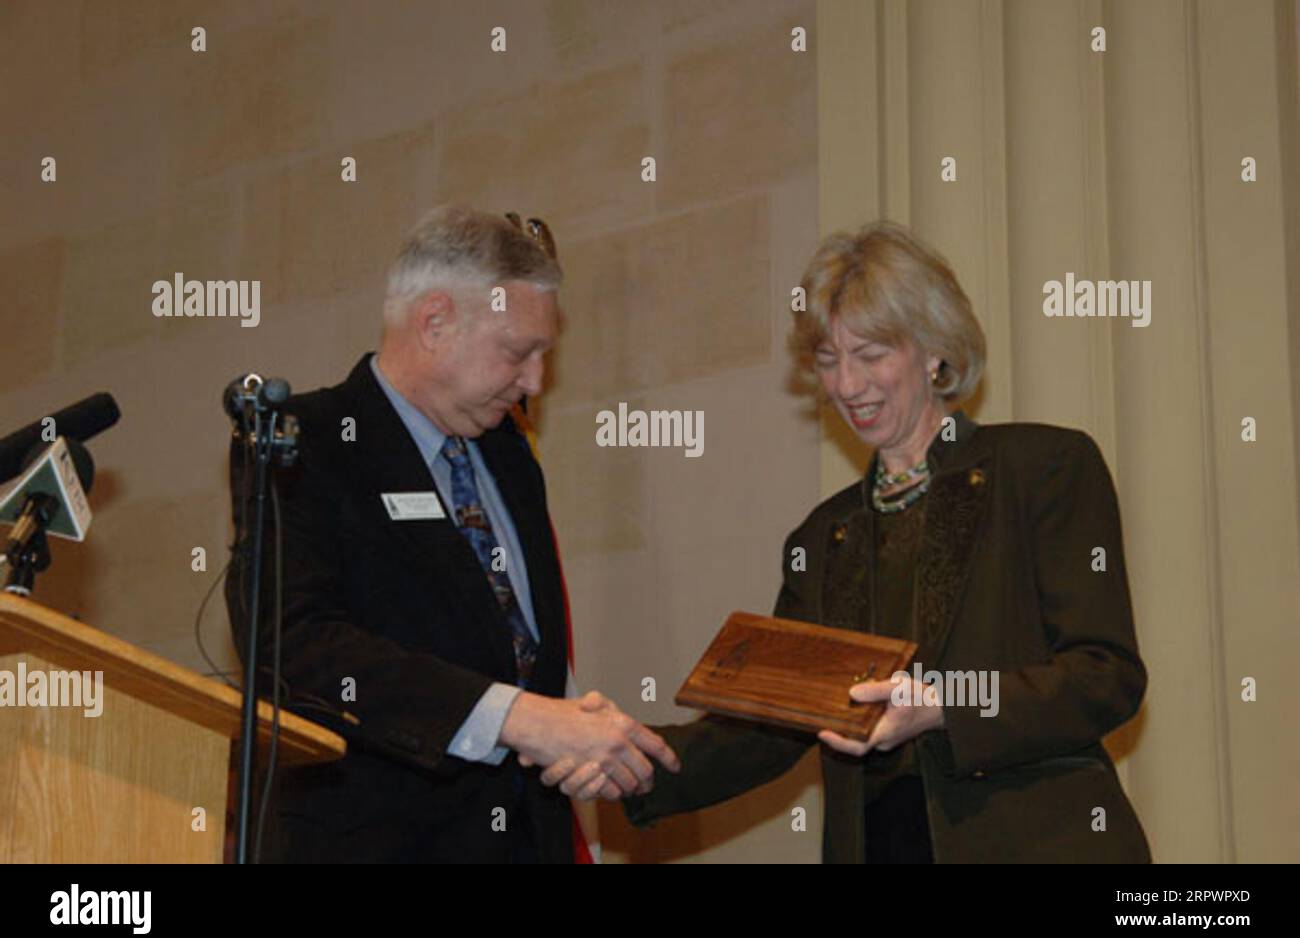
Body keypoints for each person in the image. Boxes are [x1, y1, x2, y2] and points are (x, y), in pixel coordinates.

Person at [541, 221, 1151, 863]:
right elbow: (770, 726)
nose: (846, 385)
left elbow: (1103, 676)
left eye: (870, 354)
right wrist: (632, 757)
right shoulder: (824, 536)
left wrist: (945, 706)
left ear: (934, 350)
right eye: (828, 360)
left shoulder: (1043, 467)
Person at [224, 205, 678, 863]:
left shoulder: (508, 456)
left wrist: (570, 737)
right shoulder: (302, 439)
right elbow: (292, 644)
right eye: (519, 353)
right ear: (434, 322)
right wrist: (518, 719)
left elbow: (521, 651)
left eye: (543, 357)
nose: (535, 384)